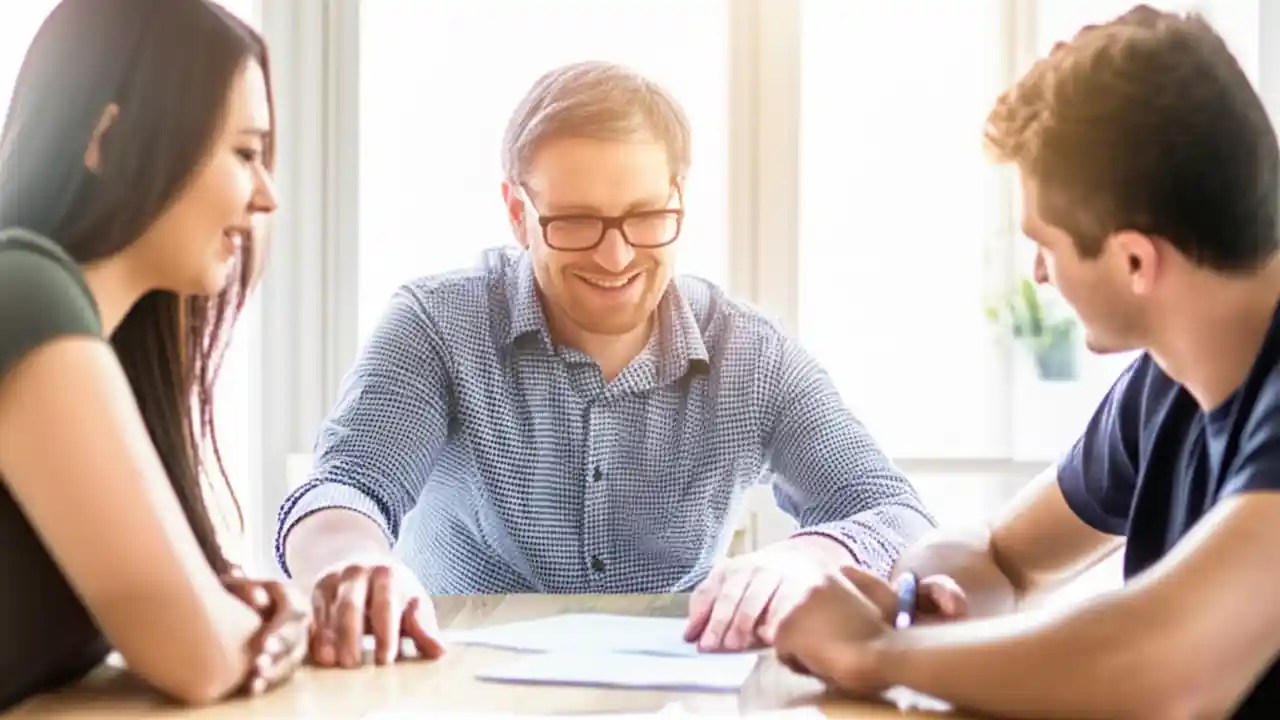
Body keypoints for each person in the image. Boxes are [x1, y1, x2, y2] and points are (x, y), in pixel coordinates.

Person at [275, 60, 935, 669]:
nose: (616, 258)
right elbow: (347, 488)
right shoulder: (440, 324)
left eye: (646, 217)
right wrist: (355, 561)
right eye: (576, 222)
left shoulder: (751, 355)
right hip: (456, 685)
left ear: (679, 197)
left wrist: (814, 556)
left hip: (672, 687)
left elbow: (893, 509)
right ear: (518, 213)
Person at [773, 5, 1280, 718]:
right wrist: (918, 600)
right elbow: (1002, 555)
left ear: (1135, 259)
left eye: (1046, 243)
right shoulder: (1166, 386)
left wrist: (876, 653)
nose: (1040, 274)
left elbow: (1169, 669)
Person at [0, 0, 310, 710]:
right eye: (245, 153)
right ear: (107, 140)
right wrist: (265, 623)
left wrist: (246, 612)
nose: (268, 196)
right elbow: (198, 659)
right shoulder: (23, 291)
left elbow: (198, 633)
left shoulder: (82, 336)